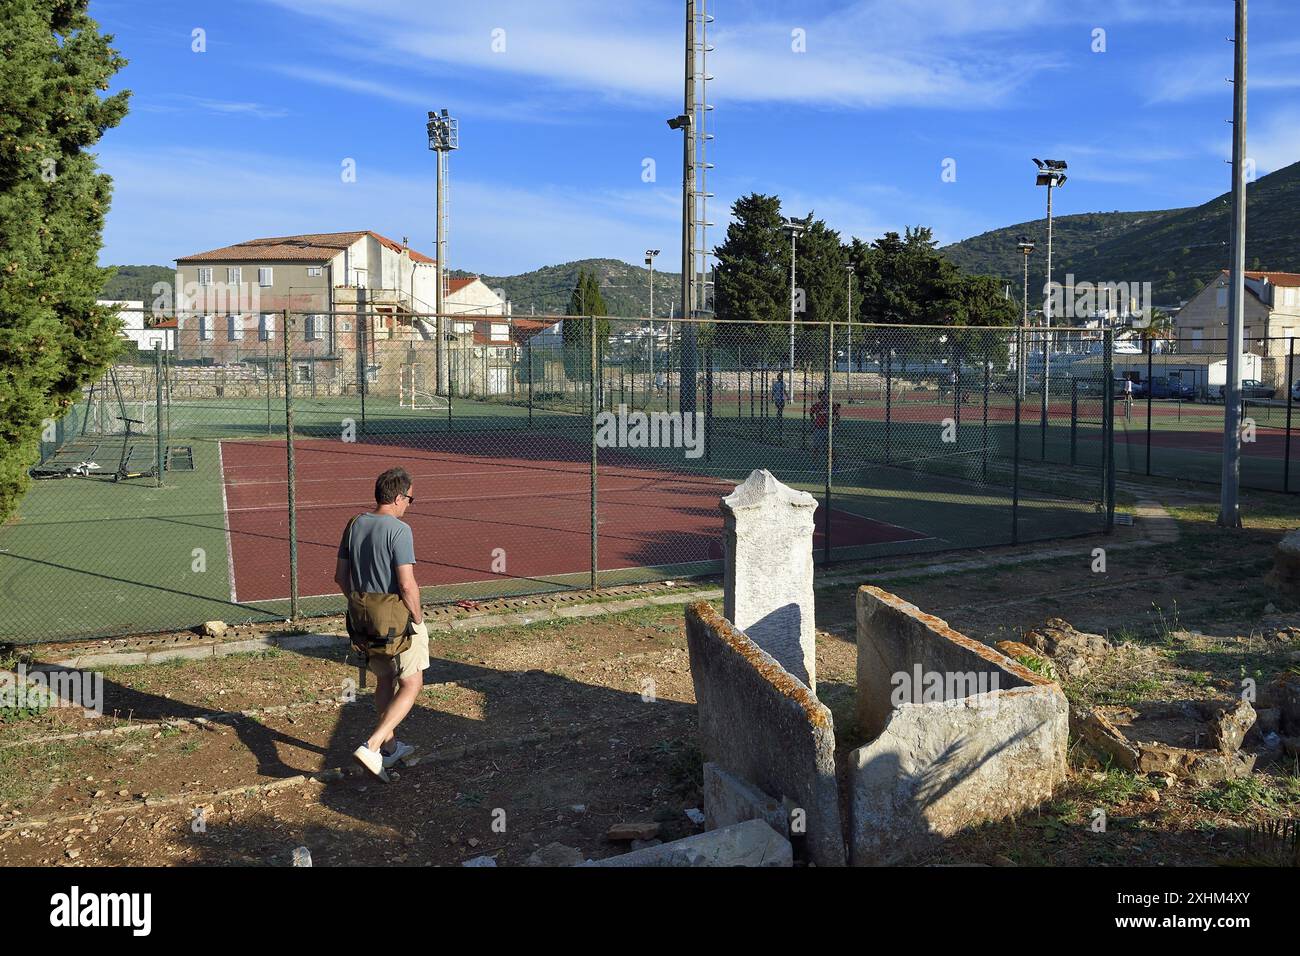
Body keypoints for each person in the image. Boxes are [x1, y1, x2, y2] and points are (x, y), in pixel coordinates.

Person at [335, 466, 430, 782]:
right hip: (395, 620)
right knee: (412, 683)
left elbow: (341, 576)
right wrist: (417, 617)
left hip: (362, 618)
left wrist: (360, 602)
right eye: (410, 499)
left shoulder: (355, 524)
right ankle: (373, 745)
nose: (409, 505)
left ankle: (390, 749)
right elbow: (406, 584)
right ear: (400, 496)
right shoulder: (399, 531)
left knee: (384, 679)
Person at [809, 387, 841, 455]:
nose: (825, 398)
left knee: (830, 447)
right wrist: (813, 422)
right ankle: (815, 462)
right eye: (823, 397)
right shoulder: (817, 405)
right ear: (820, 398)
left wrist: (835, 424)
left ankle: (832, 462)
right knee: (816, 447)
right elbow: (811, 412)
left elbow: (837, 415)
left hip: (829, 428)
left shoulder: (832, 405)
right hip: (819, 428)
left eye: (826, 397)